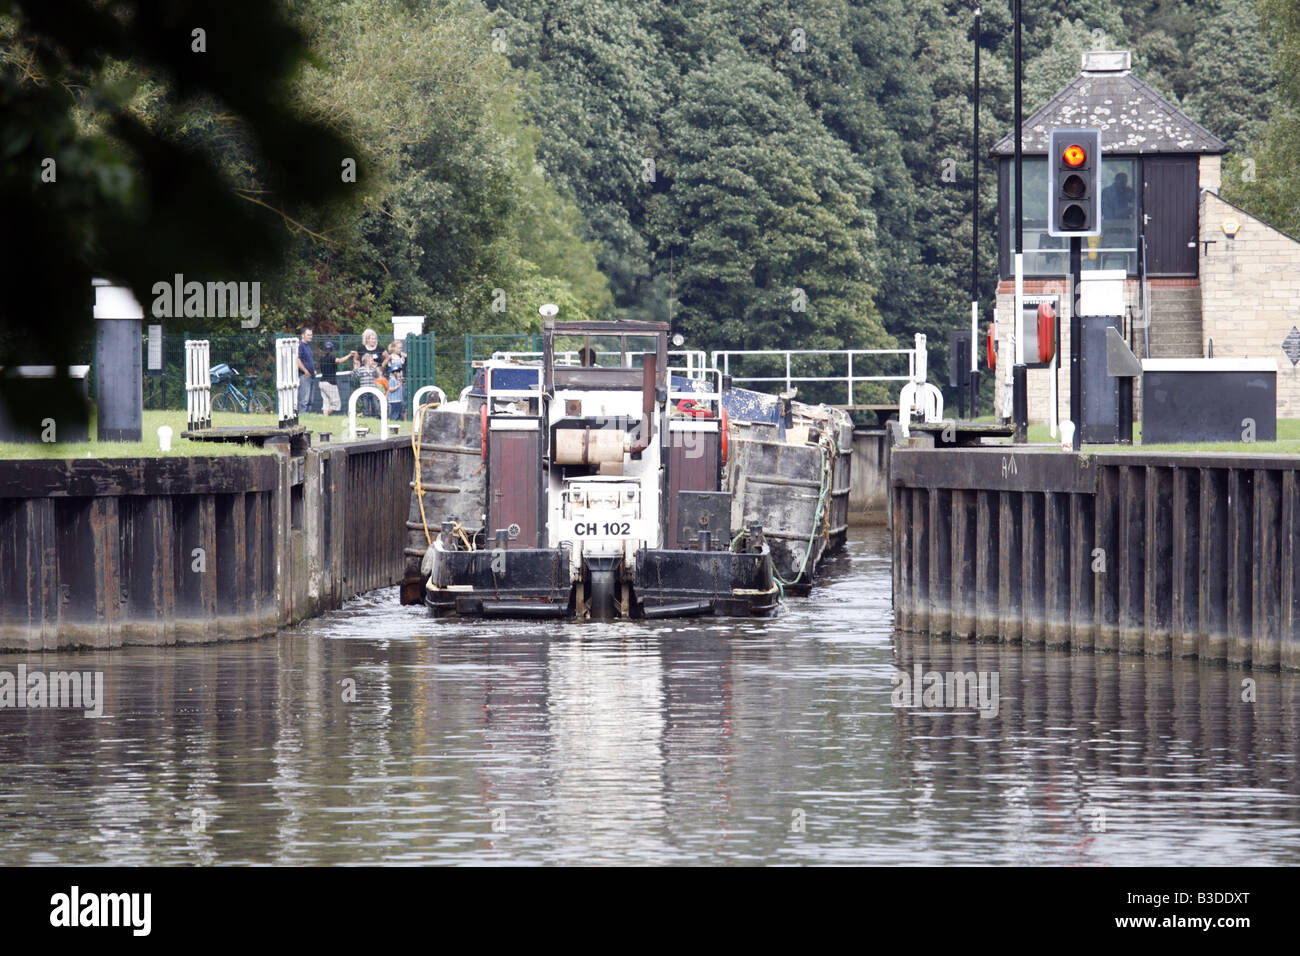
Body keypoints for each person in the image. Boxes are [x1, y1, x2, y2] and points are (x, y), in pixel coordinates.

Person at [318, 341, 341, 415]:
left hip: (322, 382)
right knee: (336, 403)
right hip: (330, 383)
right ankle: (325, 414)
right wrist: (349, 355)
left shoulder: (321, 359)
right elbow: (340, 360)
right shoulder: (332, 358)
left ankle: (325, 417)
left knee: (326, 402)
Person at [297, 327, 316, 414]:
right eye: (308, 335)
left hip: (311, 375)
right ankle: (302, 415)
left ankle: (307, 416)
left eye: (311, 335)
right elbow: (297, 360)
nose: (310, 336)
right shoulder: (300, 345)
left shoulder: (308, 346)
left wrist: (313, 370)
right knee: (304, 399)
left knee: (310, 399)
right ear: (302, 335)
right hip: (304, 376)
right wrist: (305, 371)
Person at [385, 341, 405, 421]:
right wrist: (387, 359)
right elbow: (384, 364)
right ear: (393, 348)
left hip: (400, 377)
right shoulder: (391, 356)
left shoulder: (401, 356)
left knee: (401, 398)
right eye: (399, 347)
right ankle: (393, 419)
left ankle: (399, 419)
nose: (401, 349)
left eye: (401, 348)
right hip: (393, 377)